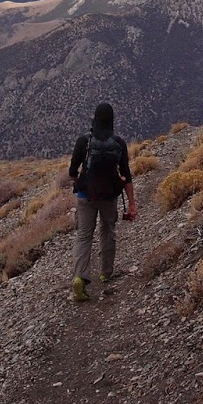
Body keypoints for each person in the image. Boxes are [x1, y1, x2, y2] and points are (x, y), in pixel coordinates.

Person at [68, 102, 138, 302]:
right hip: (109, 196)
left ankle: (80, 277)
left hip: (85, 197)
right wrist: (132, 204)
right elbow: (127, 176)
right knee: (108, 231)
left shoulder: (84, 142)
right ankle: (105, 273)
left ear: (95, 118)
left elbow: (72, 173)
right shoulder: (119, 143)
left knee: (83, 236)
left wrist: (83, 181)